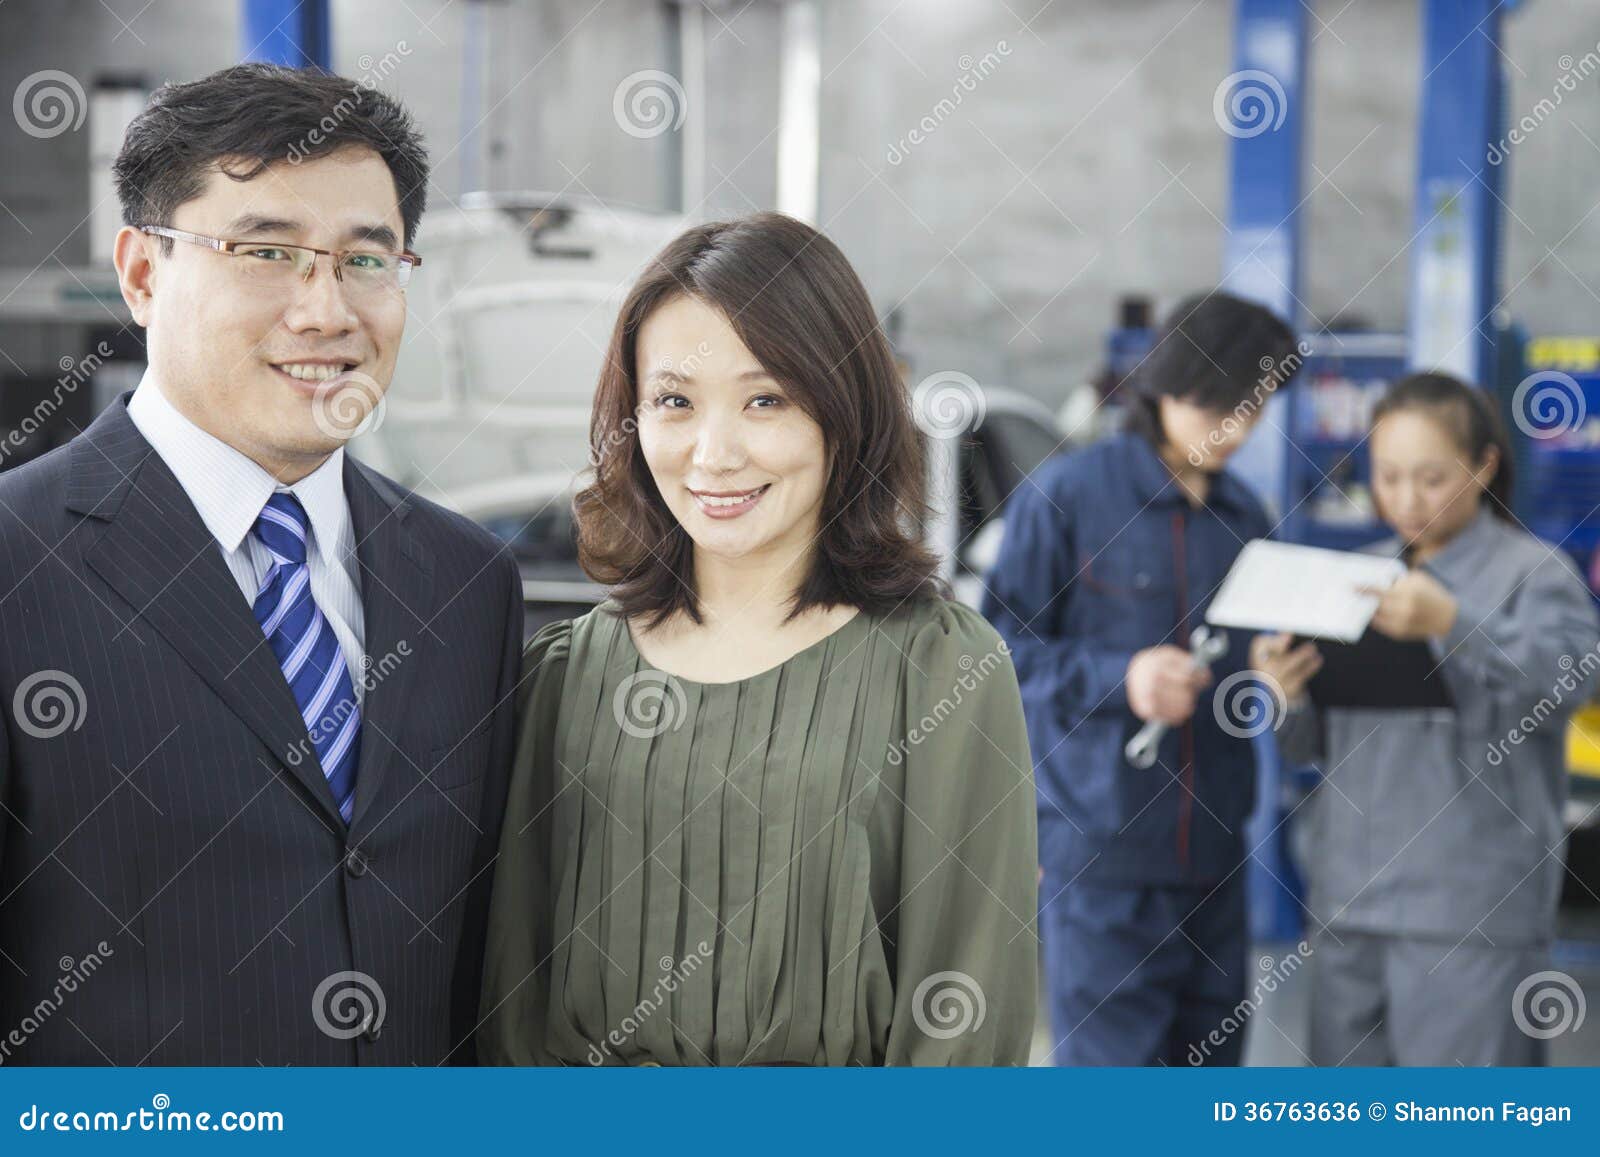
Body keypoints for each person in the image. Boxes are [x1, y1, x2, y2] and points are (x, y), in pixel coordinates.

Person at [0, 65, 524, 1064]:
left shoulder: (467, 583)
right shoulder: (18, 562)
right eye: (265, 252)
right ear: (143, 273)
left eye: (366, 261)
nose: (326, 311)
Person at [478, 212, 1038, 1066]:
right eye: (673, 401)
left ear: (842, 413)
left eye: (765, 399)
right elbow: (510, 1001)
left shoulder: (939, 672)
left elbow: (964, 1020)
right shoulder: (565, 674)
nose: (714, 452)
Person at [982, 291, 1302, 1065]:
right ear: (1169, 381)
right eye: (1222, 403)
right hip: (1104, 864)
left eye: (1255, 409)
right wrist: (1120, 677)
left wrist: (1270, 680)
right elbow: (993, 659)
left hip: (1220, 856)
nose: (1237, 429)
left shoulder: (1245, 517)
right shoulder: (1067, 499)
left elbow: (1243, 676)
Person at [1257, 372, 1600, 1066]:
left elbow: (1580, 680)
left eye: (1431, 477)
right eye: (1387, 476)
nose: (1406, 499)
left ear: (1483, 466)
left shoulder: (1533, 574)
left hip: (1469, 913)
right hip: (1350, 901)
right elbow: (1312, 745)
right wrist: (1284, 696)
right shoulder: (1353, 577)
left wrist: (1456, 624)